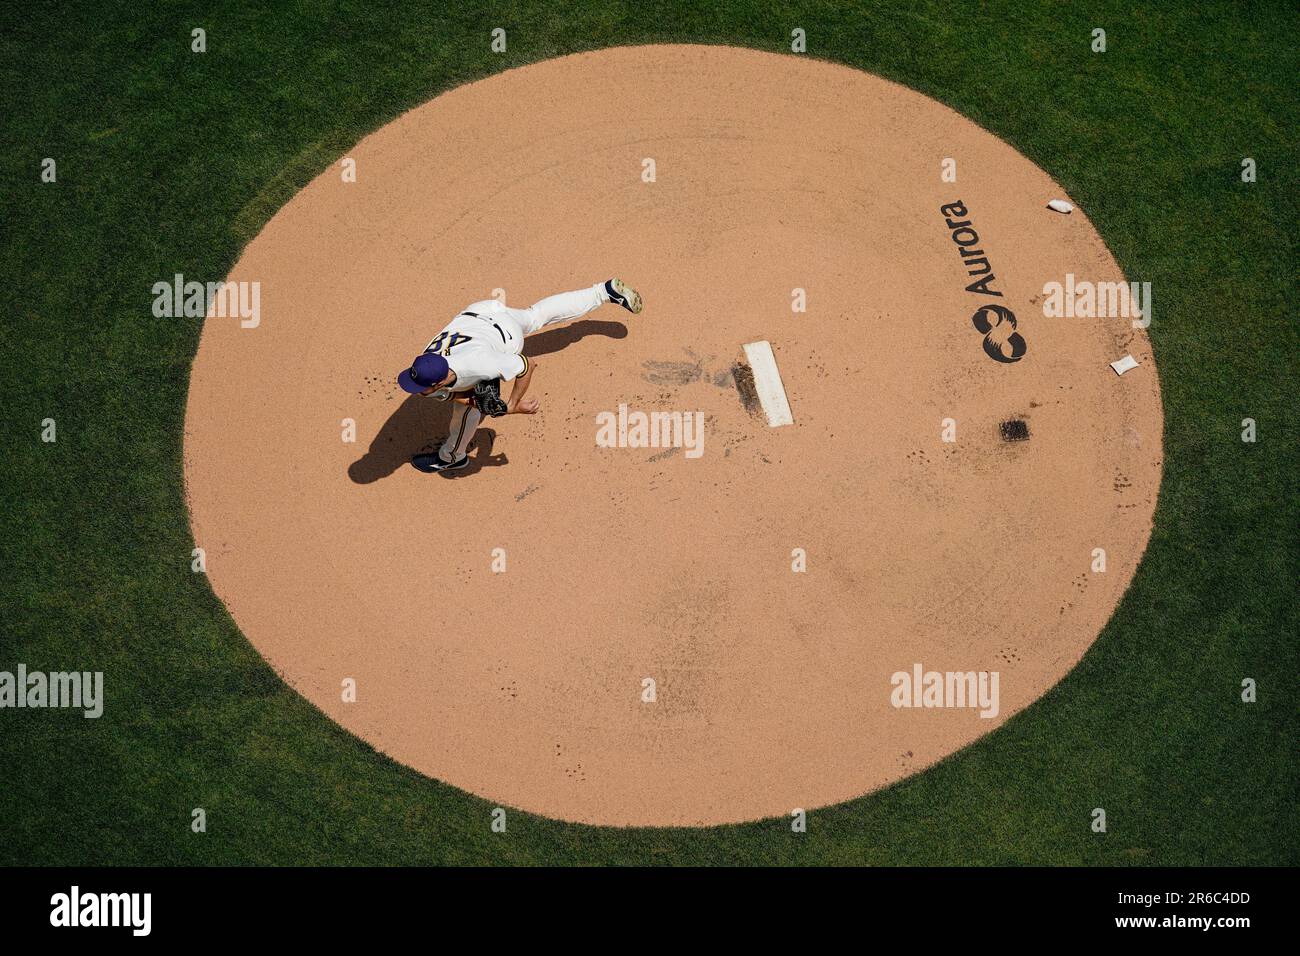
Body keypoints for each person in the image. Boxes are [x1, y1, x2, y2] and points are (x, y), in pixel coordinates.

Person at [397, 278, 643, 473]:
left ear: (438, 380)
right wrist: (480, 401)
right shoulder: (429, 359)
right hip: (484, 312)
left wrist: (512, 404)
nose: (413, 387)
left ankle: (452, 457)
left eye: (418, 385)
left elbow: (527, 365)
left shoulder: (477, 364)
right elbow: (447, 393)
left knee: (468, 413)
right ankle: (603, 291)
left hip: (506, 338)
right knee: (535, 315)